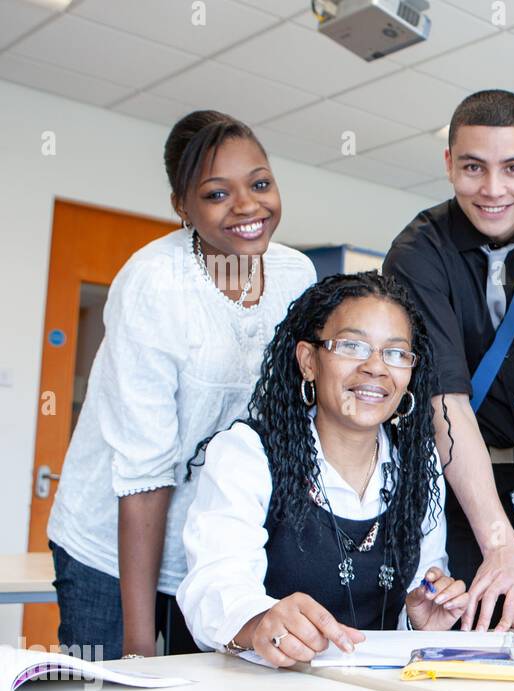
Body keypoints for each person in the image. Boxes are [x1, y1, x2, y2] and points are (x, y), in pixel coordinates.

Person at [46, 110, 317, 660]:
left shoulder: (297, 277)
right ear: (182, 207)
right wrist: (139, 649)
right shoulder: (155, 285)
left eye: (260, 184)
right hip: (112, 542)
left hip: (217, 542)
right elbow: (143, 475)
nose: (248, 206)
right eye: (218, 194)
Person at [177, 272, 467, 667]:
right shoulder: (248, 454)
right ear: (309, 361)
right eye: (352, 346)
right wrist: (261, 619)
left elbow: (423, 589)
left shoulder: (418, 464)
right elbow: (213, 587)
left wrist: (417, 622)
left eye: (396, 353)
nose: (376, 368)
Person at [384, 90, 514, 631]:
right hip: (458, 491)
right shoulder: (416, 254)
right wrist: (498, 542)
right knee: (469, 643)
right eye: (474, 167)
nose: (494, 189)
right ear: (449, 163)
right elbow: (444, 397)